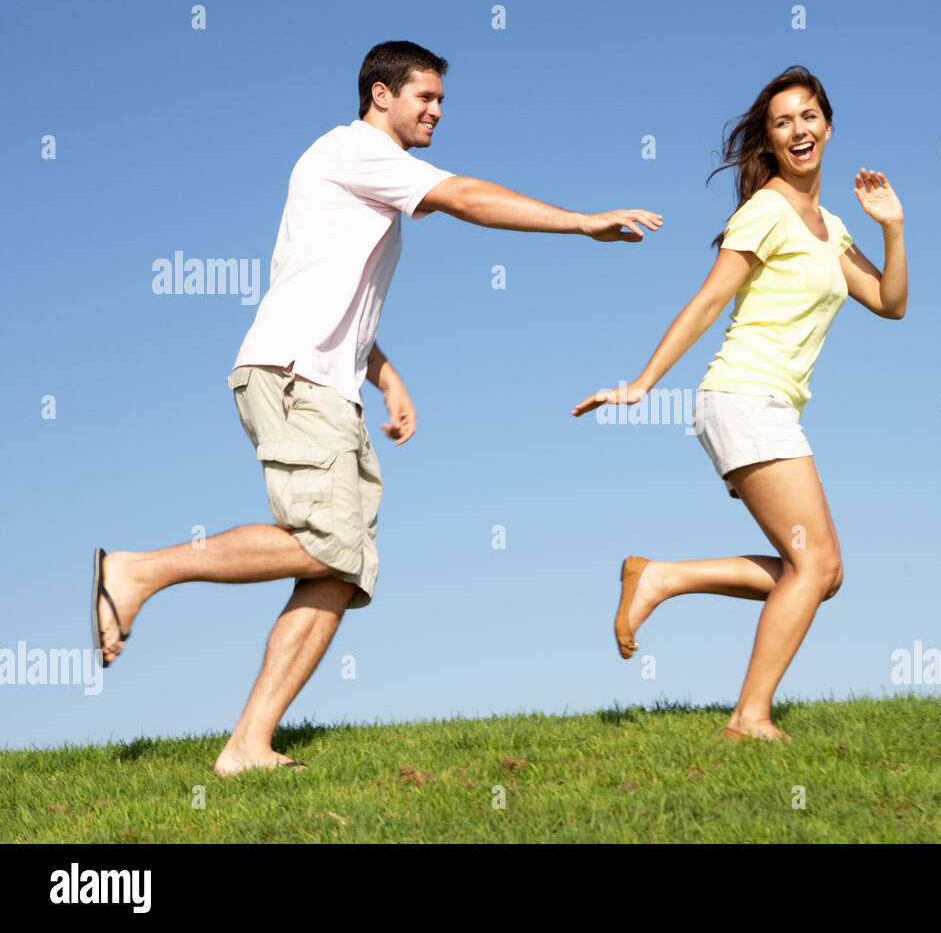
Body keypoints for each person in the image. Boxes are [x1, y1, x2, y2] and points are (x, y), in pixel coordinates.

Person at [91, 40, 662, 775]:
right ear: (379, 95)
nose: (437, 111)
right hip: (294, 376)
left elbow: (323, 288)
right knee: (330, 543)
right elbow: (464, 198)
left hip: (326, 379)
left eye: (442, 100)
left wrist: (381, 372)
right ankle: (138, 572)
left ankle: (248, 745)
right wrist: (580, 220)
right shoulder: (354, 152)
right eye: (425, 97)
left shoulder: (354, 173)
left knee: (343, 566)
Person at [572, 66, 907, 742]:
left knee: (821, 573)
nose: (798, 130)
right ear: (771, 140)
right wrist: (642, 382)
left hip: (770, 406)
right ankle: (748, 717)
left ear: (828, 125)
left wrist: (893, 227)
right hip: (744, 396)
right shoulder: (766, 210)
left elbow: (890, 303)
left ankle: (661, 576)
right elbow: (707, 301)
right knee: (814, 567)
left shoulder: (830, 226)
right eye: (783, 122)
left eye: (808, 116)